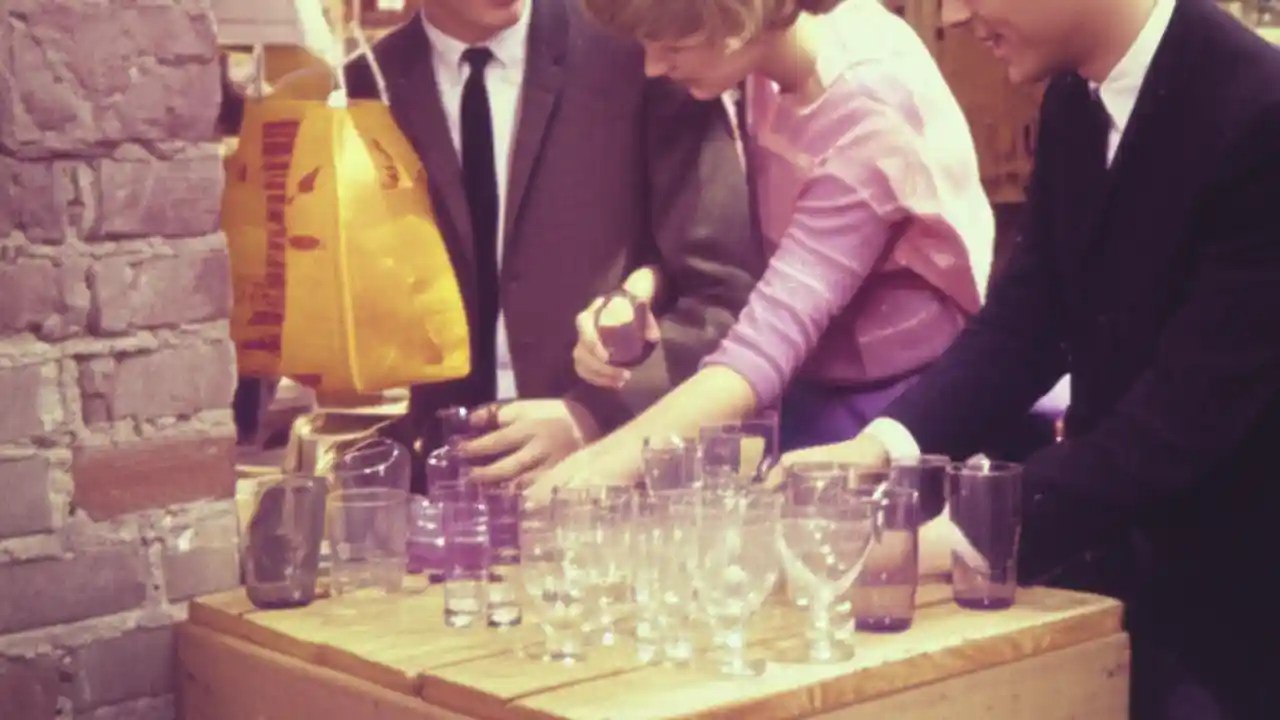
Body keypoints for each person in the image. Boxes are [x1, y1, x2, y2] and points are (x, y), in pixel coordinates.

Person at [783, 0, 1280, 717]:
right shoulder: (1077, 99)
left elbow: (1181, 422)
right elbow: (1028, 321)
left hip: (1238, 623)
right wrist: (875, 451)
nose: (951, 17)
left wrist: (944, 540)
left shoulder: (1258, 113)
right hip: (1116, 587)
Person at [532, 0, 993, 483]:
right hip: (801, 390)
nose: (653, 67)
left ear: (742, 21)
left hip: (892, 408)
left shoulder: (868, 111)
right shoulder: (756, 65)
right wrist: (642, 289)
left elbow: (764, 346)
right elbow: (757, 241)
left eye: (674, 47)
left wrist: (592, 469)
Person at [341, 0, 762, 488]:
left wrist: (594, 414)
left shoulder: (642, 53)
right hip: (443, 487)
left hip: (622, 485)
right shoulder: (365, 88)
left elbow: (724, 296)